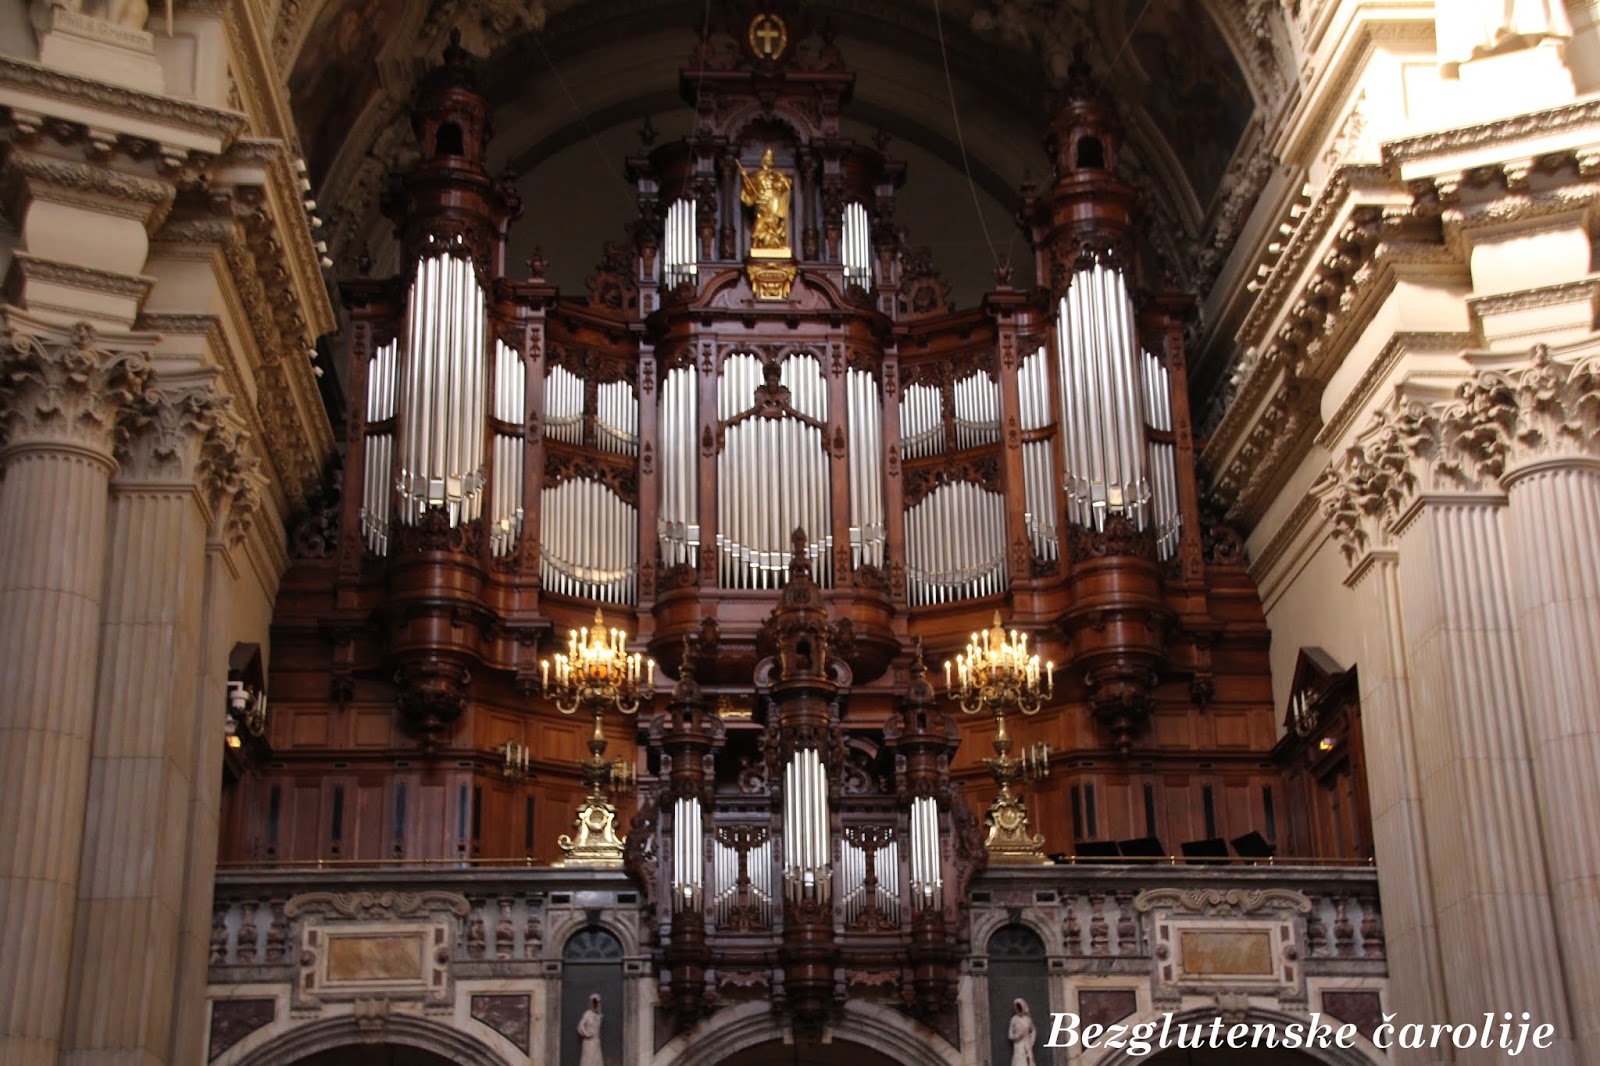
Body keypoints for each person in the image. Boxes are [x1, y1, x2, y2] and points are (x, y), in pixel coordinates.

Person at [739, 149, 792, 253]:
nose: (769, 161)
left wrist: (781, 182)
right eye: (767, 158)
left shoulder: (776, 175)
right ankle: (758, 241)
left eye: (770, 158)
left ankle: (775, 240)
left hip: (774, 200)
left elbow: (786, 185)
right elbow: (749, 191)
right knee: (761, 222)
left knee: (774, 220)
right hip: (762, 201)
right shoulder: (755, 176)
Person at [1008, 997, 1036, 1066]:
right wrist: (1017, 1036)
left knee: (1029, 1061)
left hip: (1027, 1045)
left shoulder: (1028, 1019)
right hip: (1018, 1046)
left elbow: (1033, 1030)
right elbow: (1010, 1035)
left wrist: (1031, 1041)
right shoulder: (1014, 1019)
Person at [577, 992, 603, 1066]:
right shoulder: (587, 1014)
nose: (596, 1004)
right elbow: (580, 1025)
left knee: (596, 1060)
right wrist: (586, 1033)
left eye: (597, 1003)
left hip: (596, 1041)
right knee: (588, 1060)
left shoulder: (599, 1015)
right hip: (588, 1042)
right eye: (594, 1002)